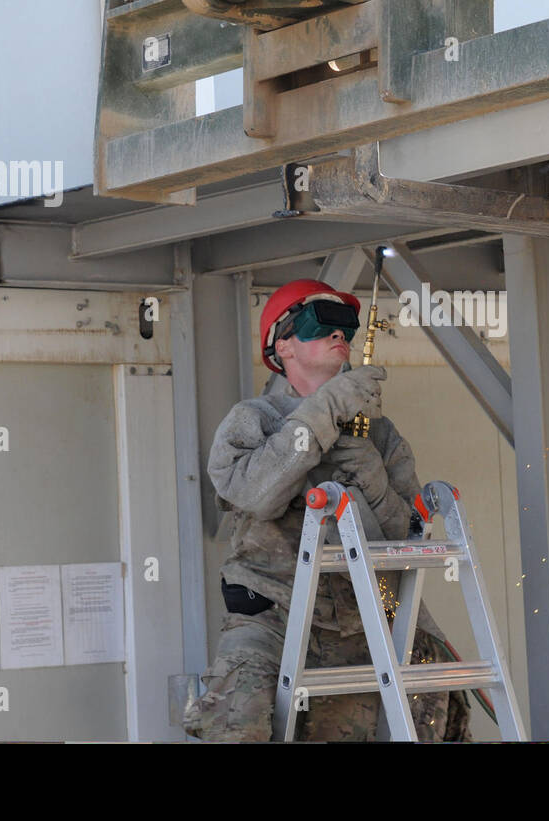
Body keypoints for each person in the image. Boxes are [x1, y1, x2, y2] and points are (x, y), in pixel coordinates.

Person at [183, 278, 472, 742]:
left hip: (368, 616)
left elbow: (407, 540)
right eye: (320, 324)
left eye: (346, 326)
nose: (339, 334)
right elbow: (255, 494)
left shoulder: (380, 435)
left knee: (432, 705)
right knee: (238, 719)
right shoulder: (251, 420)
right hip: (274, 614)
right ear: (283, 344)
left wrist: (371, 475)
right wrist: (326, 412)